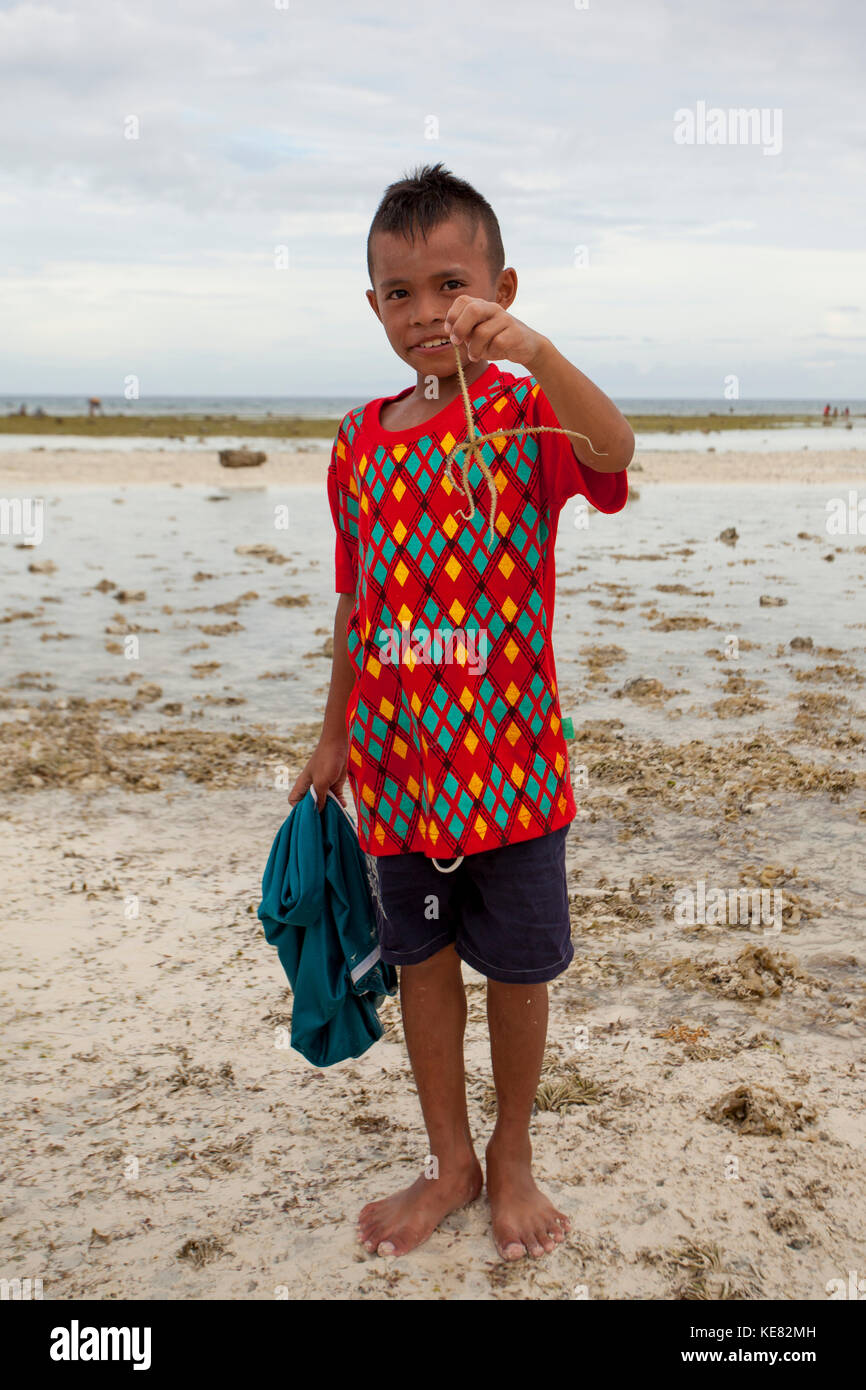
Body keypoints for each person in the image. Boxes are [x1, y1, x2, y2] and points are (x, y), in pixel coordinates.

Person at [289, 163, 633, 1262]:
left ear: (499, 286)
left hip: (513, 762)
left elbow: (613, 453)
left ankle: (514, 1152)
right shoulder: (359, 437)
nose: (427, 314)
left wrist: (532, 349)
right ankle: (450, 1161)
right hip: (397, 767)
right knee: (422, 963)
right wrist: (334, 729)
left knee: (519, 969)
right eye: (399, 292)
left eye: (451, 286)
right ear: (372, 305)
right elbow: (357, 599)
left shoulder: (526, 415)